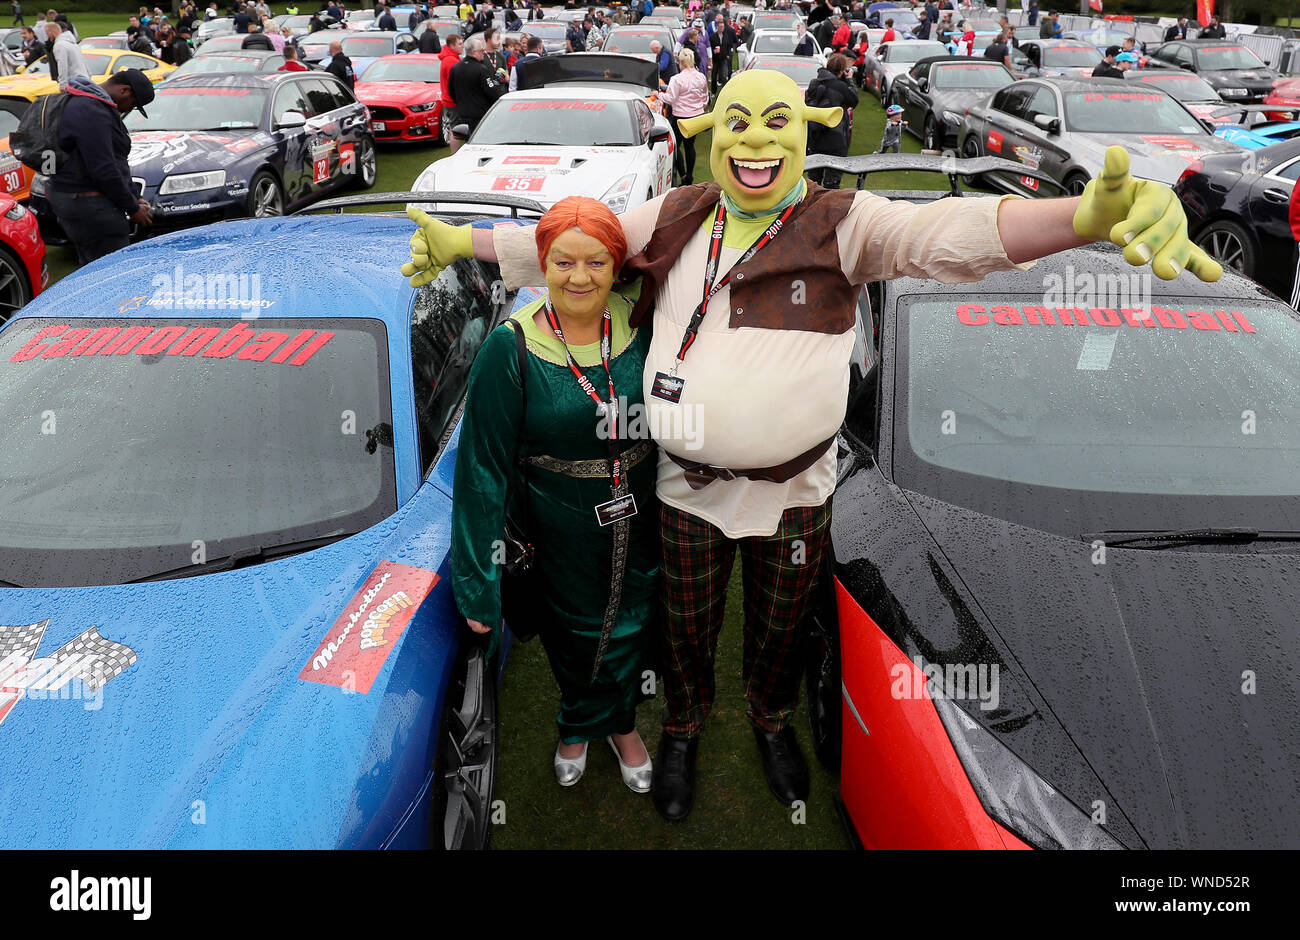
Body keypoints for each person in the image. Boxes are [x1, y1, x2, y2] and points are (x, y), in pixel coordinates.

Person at [402, 67, 1223, 823]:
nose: (755, 144)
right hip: (686, 488)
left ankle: (769, 719)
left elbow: (945, 234)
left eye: (775, 125)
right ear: (711, 134)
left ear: (804, 133)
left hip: (796, 490)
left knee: (781, 625)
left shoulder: (843, 221)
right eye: (738, 126)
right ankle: (683, 725)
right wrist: (459, 243)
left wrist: (1084, 218)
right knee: (687, 627)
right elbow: (576, 242)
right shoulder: (679, 212)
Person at [440, 195, 658, 792]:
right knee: (575, 635)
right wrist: (478, 586)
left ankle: (617, 725)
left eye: (596, 263)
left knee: (634, 626)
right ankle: (580, 724)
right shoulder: (508, 349)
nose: (580, 277)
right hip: (556, 525)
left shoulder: (643, 321)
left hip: (643, 515)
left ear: (617, 265)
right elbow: (481, 471)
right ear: (542, 264)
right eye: (563, 263)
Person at [49, 69, 155, 264]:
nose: (128, 109)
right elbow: (104, 169)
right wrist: (133, 208)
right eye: (134, 104)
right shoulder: (91, 110)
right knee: (114, 273)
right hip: (89, 206)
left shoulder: (86, 102)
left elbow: (115, 160)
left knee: (92, 269)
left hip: (75, 200)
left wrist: (134, 196)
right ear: (124, 90)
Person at [806, 52, 858, 186]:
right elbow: (853, 101)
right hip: (835, 138)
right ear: (842, 70)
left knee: (813, 180)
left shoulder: (814, 83)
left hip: (815, 136)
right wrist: (849, 80)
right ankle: (828, 205)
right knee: (832, 182)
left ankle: (810, 205)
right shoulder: (840, 86)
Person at [659, 46, 706, 183]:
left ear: (681, 63)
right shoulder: (701, 76)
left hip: (680, 116)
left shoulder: (677, 79)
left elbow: (671, 98)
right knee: (690, 145)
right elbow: (704, 97)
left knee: (676, 144)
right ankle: (689, 175)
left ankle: (683, 173)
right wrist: (699, 107)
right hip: (696, 115)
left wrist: (659, 95)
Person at [447, 36, 506, 138]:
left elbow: (451, 91)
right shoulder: (481, 69)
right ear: (474, 52)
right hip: (479, 114)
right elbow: (491, 91)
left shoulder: (456, 68)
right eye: (481, 50)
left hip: (462, 112)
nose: (483, 52)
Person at [46, 20, 86, 91]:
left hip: (74, 83)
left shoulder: (59, 45)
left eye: (47, 33)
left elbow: (62, 65)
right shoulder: (74, 44)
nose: (47, 37)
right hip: (84, 80)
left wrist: (63, 84)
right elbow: (83, 62)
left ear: (52, 32)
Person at [708, 12, 735, 92]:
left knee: (723, 75)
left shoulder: (726, 36)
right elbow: (710, 47)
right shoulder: (712, 37)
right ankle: (713, 91)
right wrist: (713, 51)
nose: (721, 28)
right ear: (717, 27)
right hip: (715, 59)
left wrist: (727, 54)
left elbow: (729, 46)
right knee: (713, 76)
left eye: (723, 27)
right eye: (720, 27)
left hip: (723, 59)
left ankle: (724, 91)